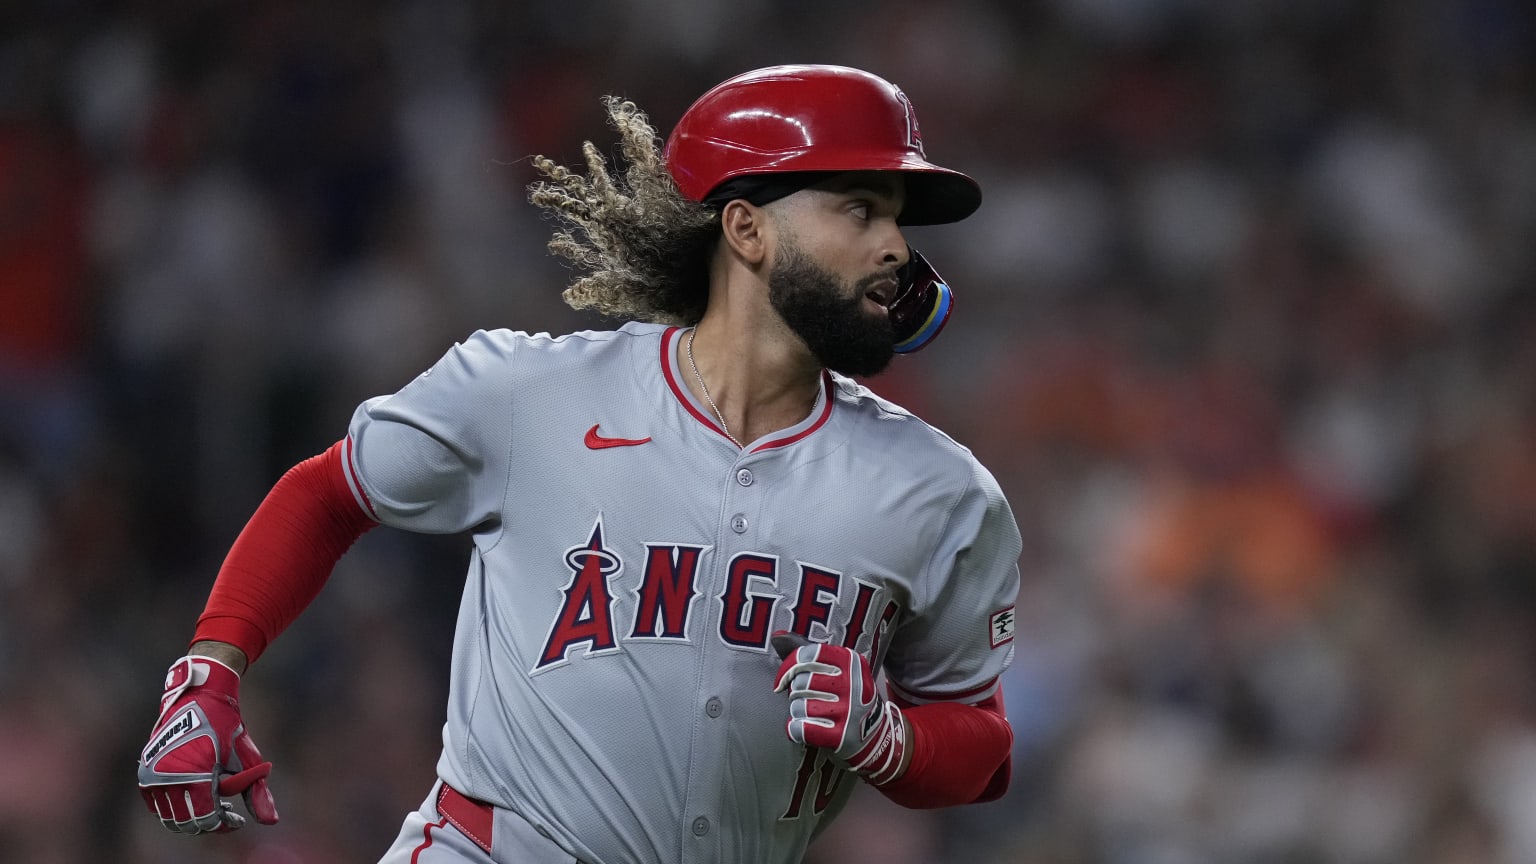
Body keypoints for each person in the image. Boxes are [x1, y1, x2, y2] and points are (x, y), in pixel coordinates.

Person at [136, 63, 1023, 864]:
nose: (897, 249)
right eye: (859, 209)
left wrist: (894, 740)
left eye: (896, 219)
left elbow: (982, 744)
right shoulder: (531, 393)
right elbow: (327, 493)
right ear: (747, 229)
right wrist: (209, 672)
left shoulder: (937, 493)